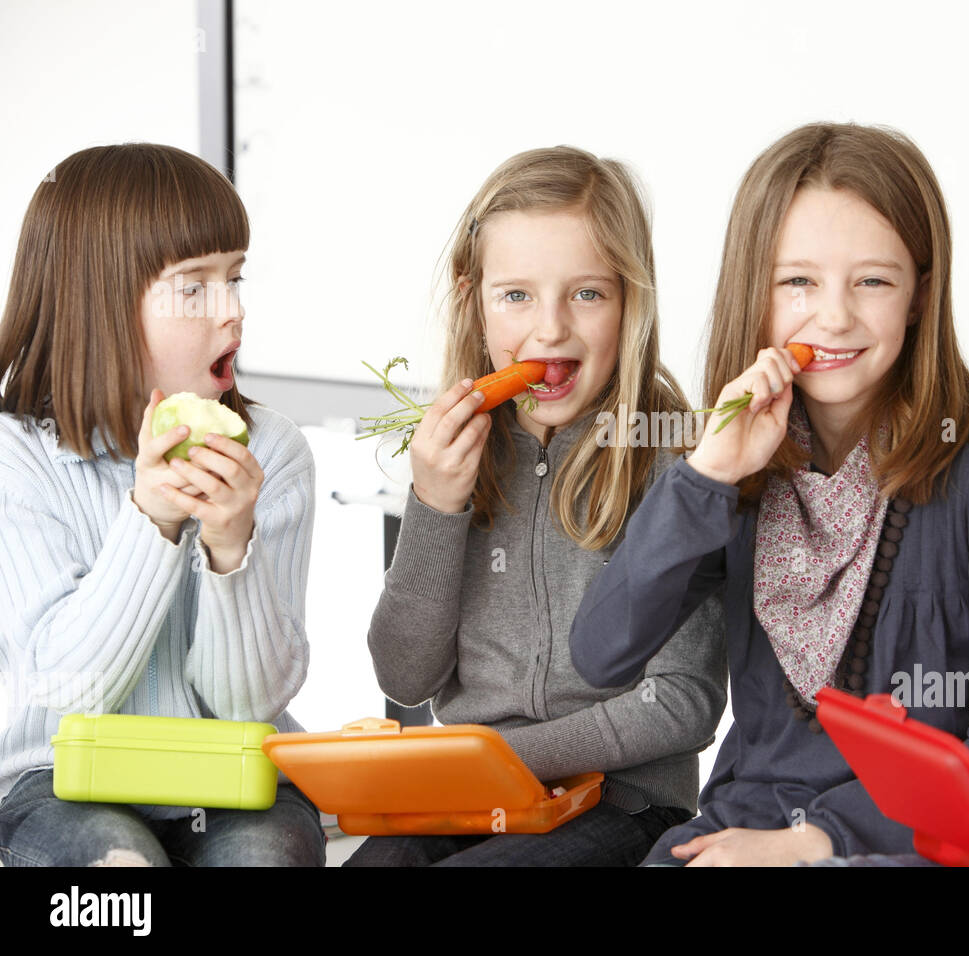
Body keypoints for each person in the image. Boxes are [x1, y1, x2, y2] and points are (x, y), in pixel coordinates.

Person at [570, 122, 969, 866]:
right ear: (752, 291)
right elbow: (600, 656)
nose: (835, 316)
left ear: (920, 291)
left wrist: (813, 842)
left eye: (873, 281)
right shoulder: (730, 463)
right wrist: (706, 477)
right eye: (798, 281)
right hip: (742, 820)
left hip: (908, 841)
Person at [344, 146, 726, 867]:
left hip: (623, 801)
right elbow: (404, 678)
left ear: (630, 301)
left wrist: (493, 756)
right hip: (468, 798)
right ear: (474, 300)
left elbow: (682, 702)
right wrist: (435, 505)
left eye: (587, 294)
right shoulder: (454, 453)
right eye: (516, 296)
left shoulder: (678, 458)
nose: (550, 330)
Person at [0, 144, 323, 866]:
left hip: (230, 779)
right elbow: (69, 685)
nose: (232, 311)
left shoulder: (270, 451)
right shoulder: (15, 458)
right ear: (99, 300)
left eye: (235, 278)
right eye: (194, 287)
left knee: (265, 858)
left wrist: (231, 548)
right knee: (117, 866)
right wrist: (151, 519)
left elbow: (246, 705)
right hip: (56, 782)